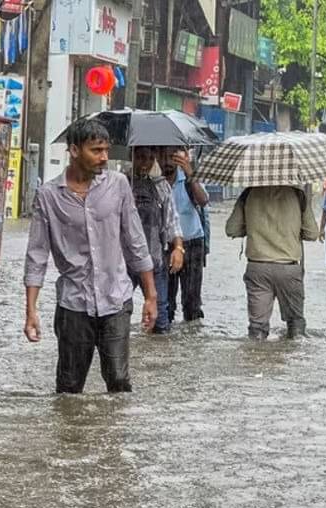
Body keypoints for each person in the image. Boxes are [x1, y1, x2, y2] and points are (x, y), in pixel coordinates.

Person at [23, 120, 157, 394]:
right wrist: (31, 311)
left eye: (106, 150)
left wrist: (151, 297)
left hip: (116, 300)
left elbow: (135, 242)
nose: (104, 157)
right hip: (74, 304)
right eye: (96, 150)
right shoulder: (49, 196)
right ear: (74, 150)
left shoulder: (118, 185)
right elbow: (37, 255)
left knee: (119, 383)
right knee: (69, 390)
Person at [226, 185, 318, 339]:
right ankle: (297, 361)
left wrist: (252, 228)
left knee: (257, 328)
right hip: (289, 269)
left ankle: (255, 360)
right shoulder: (298, 194)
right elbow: (312, 233)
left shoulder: (248, 193)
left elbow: (231, 229)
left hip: (257, 268)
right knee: (296, 327)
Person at [128, 146, 184, 333]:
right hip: (123, 263)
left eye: (150, 158)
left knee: (160, 317)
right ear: (132, 157)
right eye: (141, 157)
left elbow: (172, 222)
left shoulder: (161, 186)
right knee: (117, 311)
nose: (145, 162)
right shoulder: (120, 184)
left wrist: (178, 248)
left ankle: (159, 358)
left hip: (154, 261)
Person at [161, 147, 209, 324]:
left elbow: (203, 201)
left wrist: (190, 173)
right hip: (167, 247)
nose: (167, 161)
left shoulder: (189, 179)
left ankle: (192, 337)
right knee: (166, 303)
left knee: (192, 303)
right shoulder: (156, 183)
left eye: (171, 157)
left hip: (192, 243)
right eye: (163, 157)